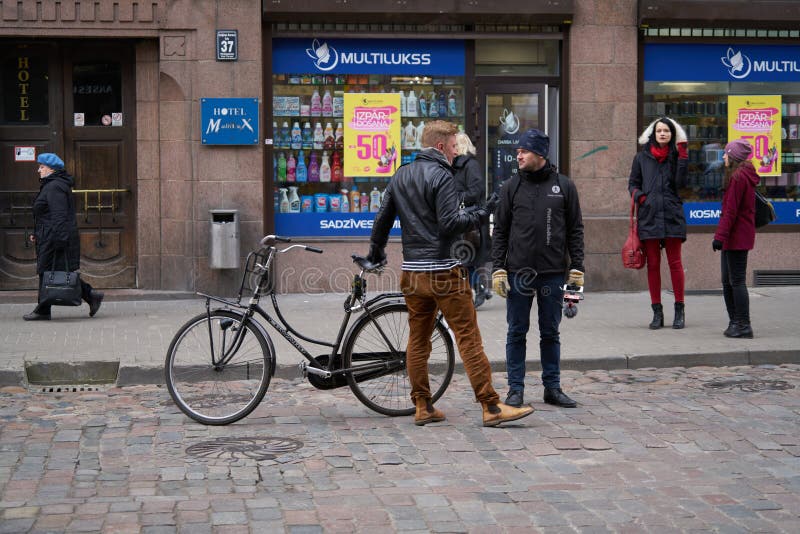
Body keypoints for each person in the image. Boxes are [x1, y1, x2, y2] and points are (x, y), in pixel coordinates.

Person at [367, 120, 534, 427]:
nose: (458, 152)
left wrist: (375, 254)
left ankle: (423, 406)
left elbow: (382, 219)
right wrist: (483, 212)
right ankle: (491, 407)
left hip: (413, 273)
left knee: (418, 341)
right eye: (455, 146)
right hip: (443, 271)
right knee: (468, 338)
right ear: (441, 146)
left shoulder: (401, 173)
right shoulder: (442, 175)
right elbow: (449, 223)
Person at [490, 129, 585, 409]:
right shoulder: (510, 187)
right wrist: (498, 268)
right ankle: (515, 389)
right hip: (519, 272)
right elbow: (501, 231)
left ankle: (552, 388)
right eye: (518, 151)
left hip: (554, 273)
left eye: (524, 151)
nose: (518, 155)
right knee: (516, 331)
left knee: (550, 332)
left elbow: (575, 230)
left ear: (540, 154)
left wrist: (577, 270)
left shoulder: (564, 186)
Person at [24, 153, 104, 321]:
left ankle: (43, 310)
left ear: (51, 169)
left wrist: (60, 240)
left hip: (55, 237)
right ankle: (90, 295)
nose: (38, 170)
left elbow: (59, 215)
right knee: (55, 271)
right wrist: (36, 233)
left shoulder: (54, 187)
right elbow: (45, 215)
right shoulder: (52, 185)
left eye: (41, 167)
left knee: (46, 272)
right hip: (49, 235)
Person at [628, 117, 689, 330]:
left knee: (675, 264)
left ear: (672, 134)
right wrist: (641, 198)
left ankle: (679, 310)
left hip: (672, 215)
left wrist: (682, 157)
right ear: (652, 134)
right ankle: (657, 312)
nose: (662, 134)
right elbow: (633, 184)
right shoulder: (641, 158)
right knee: (653, 265)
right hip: (650, 216)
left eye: (667, 131)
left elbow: (682, 184)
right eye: (659, 131)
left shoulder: (676, 156)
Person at [712, 138, 759, 339]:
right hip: (734, 237)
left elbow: (730, 212)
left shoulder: (739, 177)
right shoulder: (739, 175)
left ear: (734, 156)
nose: (723, 156)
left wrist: (719, 237)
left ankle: (743, 324)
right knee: (727, 281)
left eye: (726, 153)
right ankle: (734, 321)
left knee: (736, 281)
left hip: (736, 238)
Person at [452, 132, 492, 308]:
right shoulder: (454, 166)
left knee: (466, 260)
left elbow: (475, 191)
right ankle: (479, 288)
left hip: (470, 221)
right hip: (461, 220)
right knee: (464, 260)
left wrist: (454, 198)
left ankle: (479, 289)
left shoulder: (470, 165)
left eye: (453, 145)